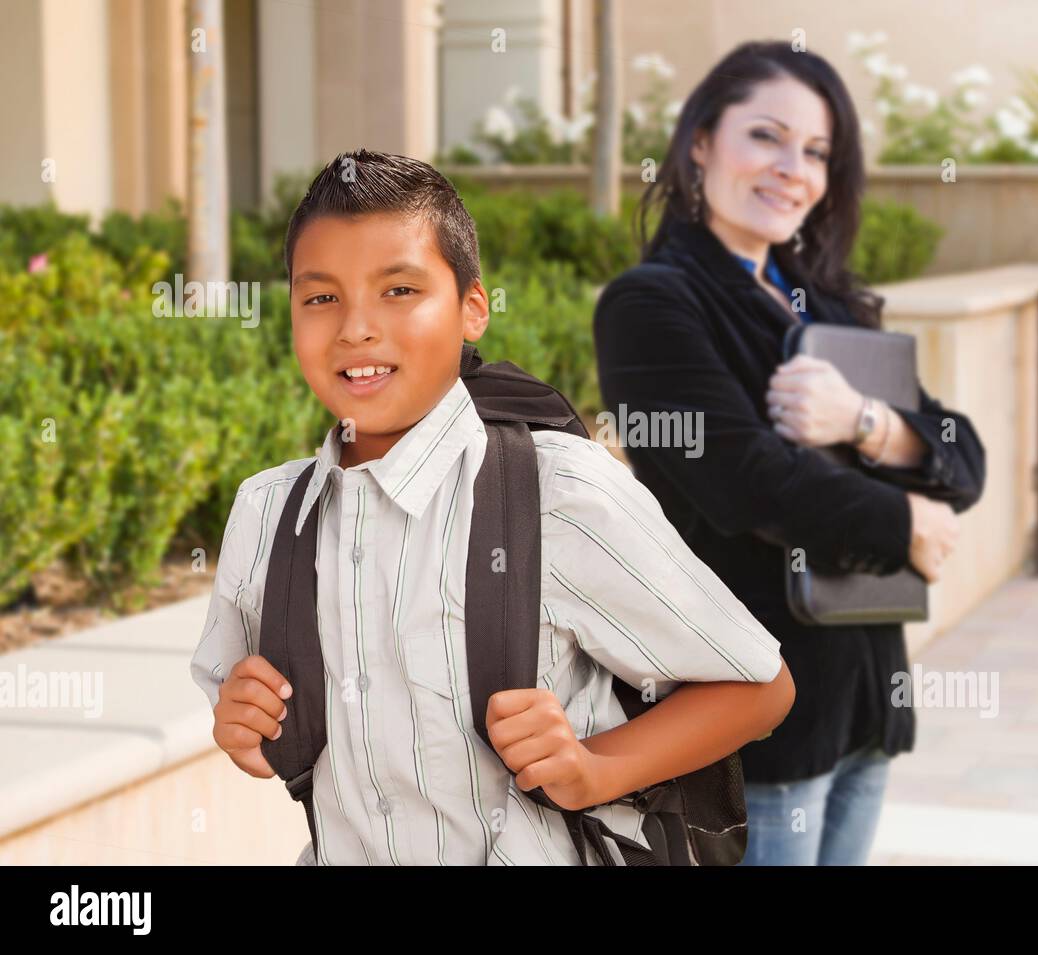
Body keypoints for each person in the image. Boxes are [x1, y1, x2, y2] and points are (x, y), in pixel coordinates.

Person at [189, 149, 794, 865]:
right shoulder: (269, 514)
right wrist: (241, 725)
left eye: (400, 289)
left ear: (473, 308)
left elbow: (759, 685)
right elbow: (258, 732)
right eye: (320, 297)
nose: (355, 327)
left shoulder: (555, 492)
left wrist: (596, 767)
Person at [593, 42, 986, 866]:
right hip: (760, 715)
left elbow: (963, 454)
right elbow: (747, 484)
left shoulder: (830, 301)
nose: (793, 170)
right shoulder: (652, 303)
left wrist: (867, 420)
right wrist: (906, 516)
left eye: (816, 153)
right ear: (700, 141)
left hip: (864, 695)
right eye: (766, 137)